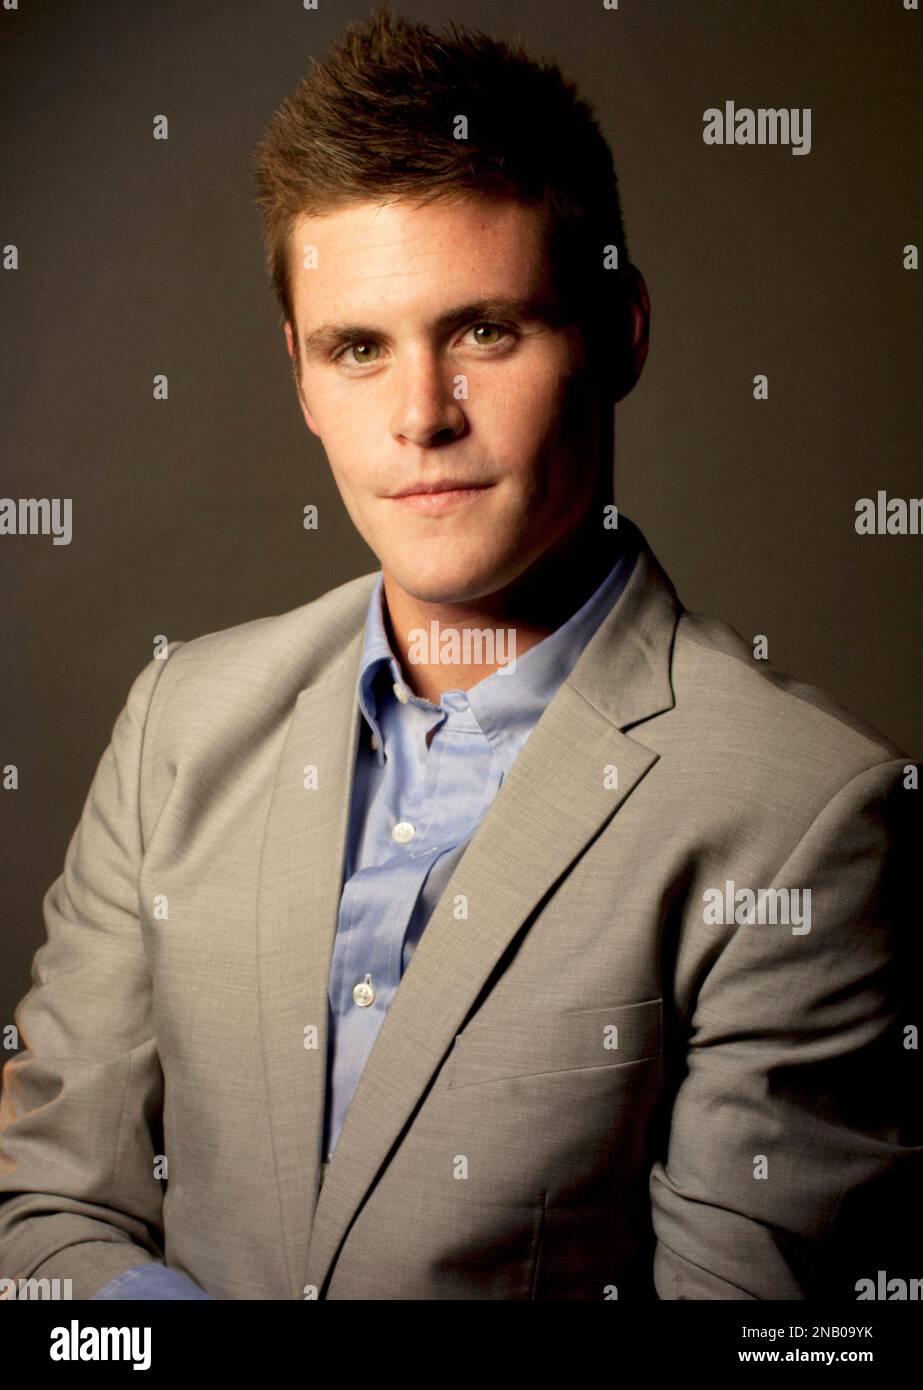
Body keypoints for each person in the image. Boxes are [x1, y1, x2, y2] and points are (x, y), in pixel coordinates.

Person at [0, 5, 918, 1302]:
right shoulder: (178, 722)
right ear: (303, 378)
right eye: (358, 348)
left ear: (620, 334)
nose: (419, 417)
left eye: (485, 329)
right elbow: (41, 1212)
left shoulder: (807, 815)